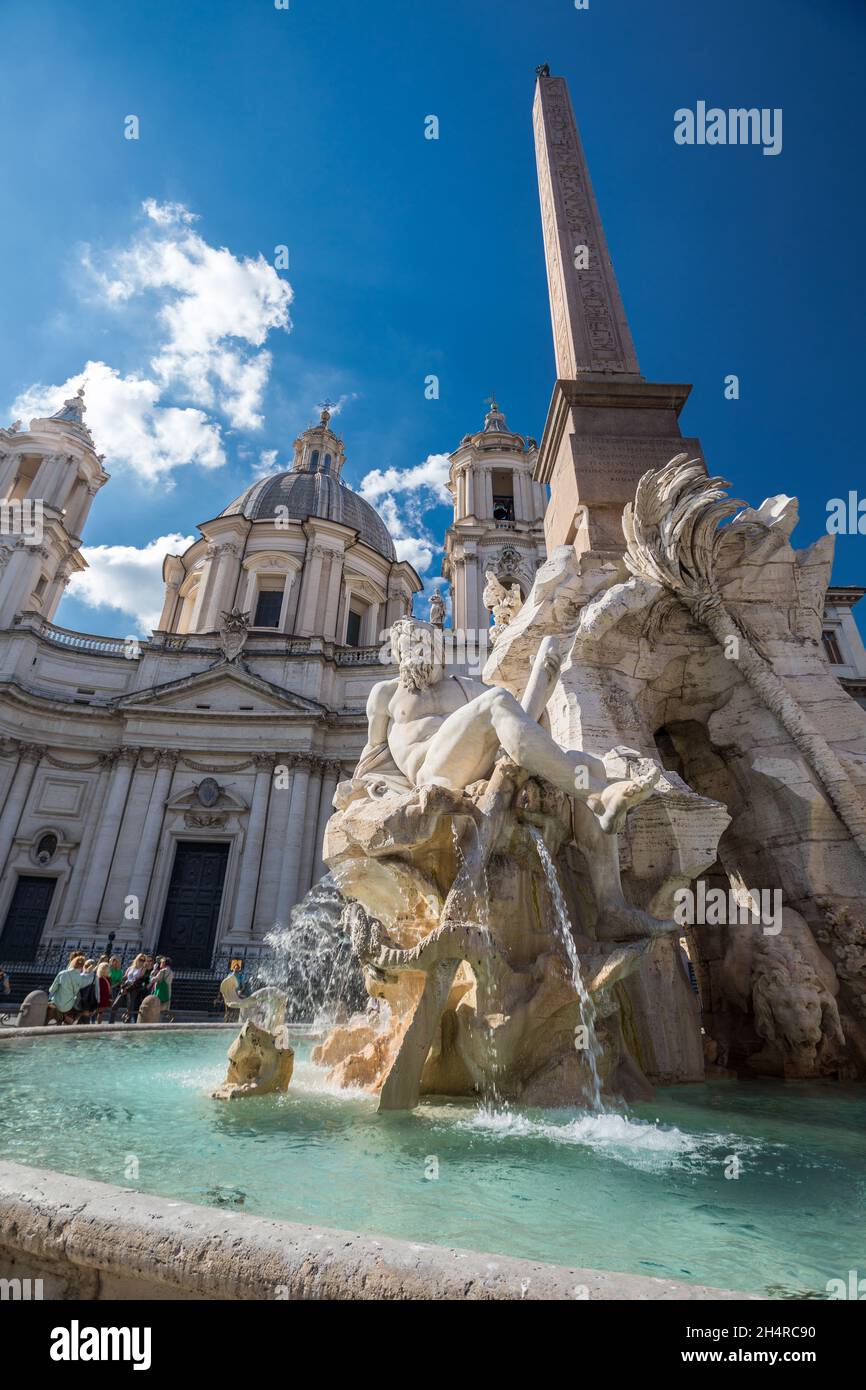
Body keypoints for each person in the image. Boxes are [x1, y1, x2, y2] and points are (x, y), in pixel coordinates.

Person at [108, 953, 149, 1022]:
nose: (141, 961)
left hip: (133, 988)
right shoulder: (130, 968)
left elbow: (138, 979)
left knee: (129, 1006)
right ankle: (111, 1022)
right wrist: (123, 986)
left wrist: (144, 966)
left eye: (143, 960)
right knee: (115, 1005)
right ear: (137, 959)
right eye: (140, 959)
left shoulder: (143, 969)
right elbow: (124, 977)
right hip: (125, 986)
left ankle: (127, 1021)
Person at [47, 953, 86, 1025]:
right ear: (82, 966)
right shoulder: (80, 978)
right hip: (68, 1005)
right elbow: (76, 992)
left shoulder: (62, 973)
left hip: (56, 1002)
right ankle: (65, 1019)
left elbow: (52, 989)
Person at [74, 959, 100, 1024]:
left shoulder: (80, 976)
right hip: (89, 1000)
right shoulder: (94, 977)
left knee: (82, 1016)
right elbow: (97, 990)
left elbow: (76, 989)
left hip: (79, 999)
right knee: (86, 1017)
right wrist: (98, 1001)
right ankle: (88, 1032)